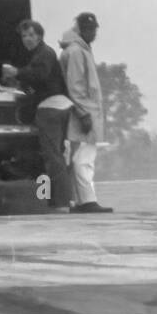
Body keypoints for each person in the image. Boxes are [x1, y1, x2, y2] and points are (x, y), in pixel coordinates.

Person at [2, 20, 72, 211]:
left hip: (50, 108)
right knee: (58, 155)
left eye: (31, 35)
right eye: (24, 36)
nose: (28, 39)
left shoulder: (44, 53)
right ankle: (65, 200)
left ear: (40, 36)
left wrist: (17, 72)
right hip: (60, 106)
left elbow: (39, 75)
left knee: (52, 157)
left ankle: (61, 204)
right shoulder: (41, 54)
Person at [60, 12, 111, 213]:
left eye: (94, 29)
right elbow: (76, 86)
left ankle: (80, 201)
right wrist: (83, 113)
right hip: (84, 114)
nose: (93, 33)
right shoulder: (76, 52)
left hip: (85, 112)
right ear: (79, 30)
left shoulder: (80, 50)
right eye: (89, 29)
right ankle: (88, 201)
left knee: (79, 156)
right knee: (84, 158)